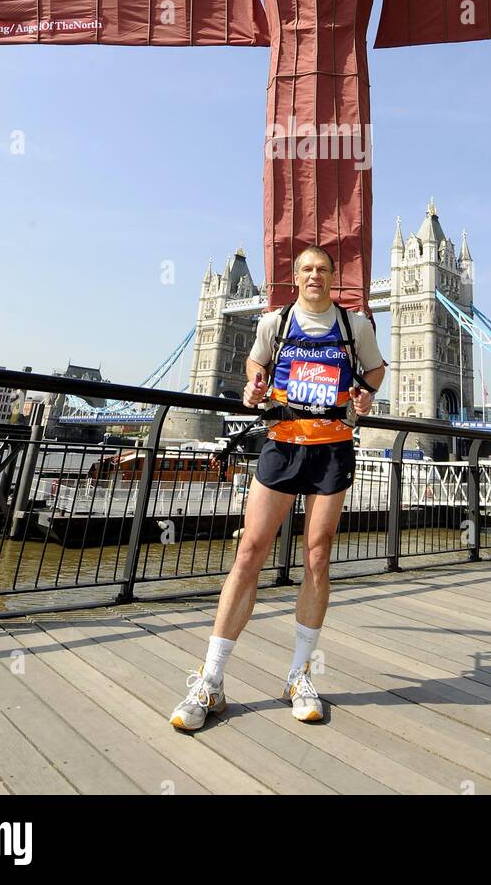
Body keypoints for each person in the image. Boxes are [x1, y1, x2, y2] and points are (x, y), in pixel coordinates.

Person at [170, 244, 386, 731]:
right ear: (296, 276)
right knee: (249, 552)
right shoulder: (275, 321)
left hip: (332, 446)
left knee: (318, 553)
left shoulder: (356, 326)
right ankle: (211, 680)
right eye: (306, 269)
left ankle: (299, 675)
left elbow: (375, 369)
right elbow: (255, 365)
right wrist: (253, 385)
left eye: (323, 270)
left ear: (335, 277)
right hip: (282, 443)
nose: (314, 276)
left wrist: (368, 393)